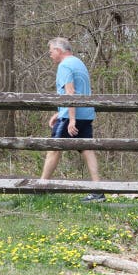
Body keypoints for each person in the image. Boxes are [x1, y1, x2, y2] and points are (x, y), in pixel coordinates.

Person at [40, 37, 104, 202]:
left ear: (59, 50)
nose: (50, 55)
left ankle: (40, 188)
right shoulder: (78, 63)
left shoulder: (64, 65)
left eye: (51, 52)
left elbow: (70, 93)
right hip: (86, 114)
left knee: (54, 149)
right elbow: (80, 91)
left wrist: (71, 119)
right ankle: (98, 191)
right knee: (87, 149)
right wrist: (59, 113)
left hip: (72, 117)